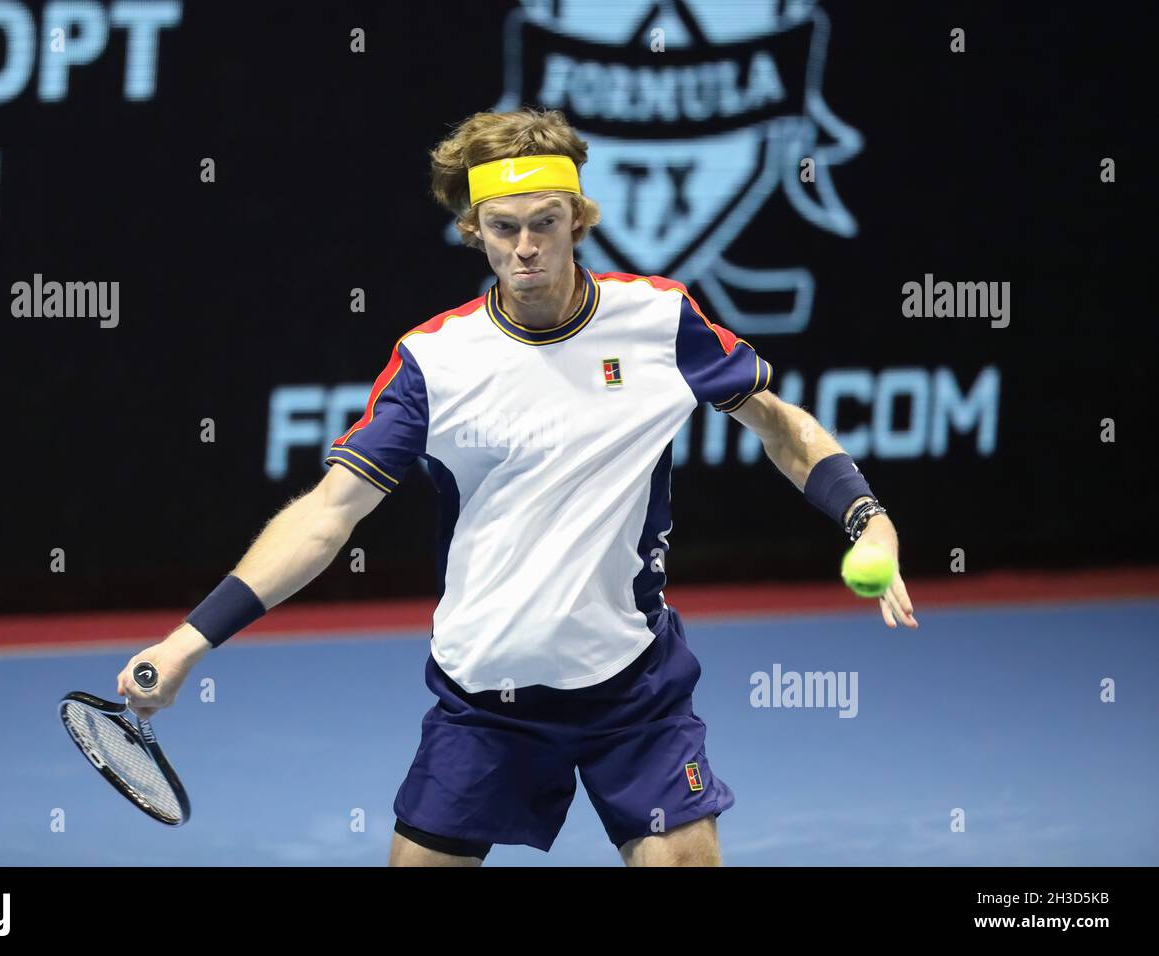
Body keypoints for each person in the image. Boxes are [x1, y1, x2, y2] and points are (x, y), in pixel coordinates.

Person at [116, 107, 918, 867]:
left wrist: (866, 518)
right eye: (504, 227)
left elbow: (780, 426)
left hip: (635, 691)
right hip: (484, 697)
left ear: (578, 217)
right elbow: (329, 515)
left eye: (546, 221)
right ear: (474, 230)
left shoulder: (659, 321)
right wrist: (190, 641)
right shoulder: (436, 362)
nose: (527, 245)